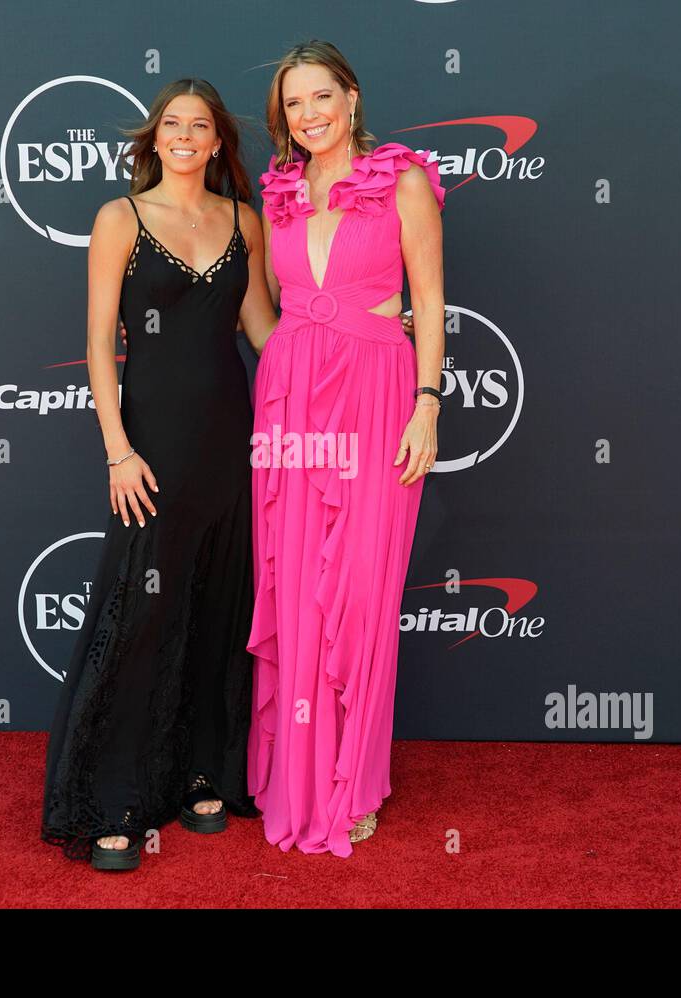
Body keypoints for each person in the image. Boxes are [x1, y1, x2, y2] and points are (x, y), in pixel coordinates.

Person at [41, 79, 279, 871]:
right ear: (155, 138)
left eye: (198, 125)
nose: (183, 135)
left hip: (230, 443)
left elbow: (265, 334)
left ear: (218, 142)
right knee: (139, 616)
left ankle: (203, 771)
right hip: (148, 448)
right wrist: (118, 448)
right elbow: (100, 344)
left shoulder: (246, 222)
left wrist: (358, 329)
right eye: (171, 124)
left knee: (218, 605)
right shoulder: (121, 218)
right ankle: (113, 799)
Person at [246, 40, 447, 857]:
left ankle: (354, 782)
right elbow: (262, 307)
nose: (310, 114)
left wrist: (427, 406)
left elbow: (429, 303)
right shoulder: (279, 194)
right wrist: (284, 366)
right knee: (295, 589)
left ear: (352, 97)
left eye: (321, 95)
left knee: (360, 595)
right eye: (294, 103)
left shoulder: (403, 180)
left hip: (377, 394)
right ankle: (297, 775)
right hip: (291, 405)